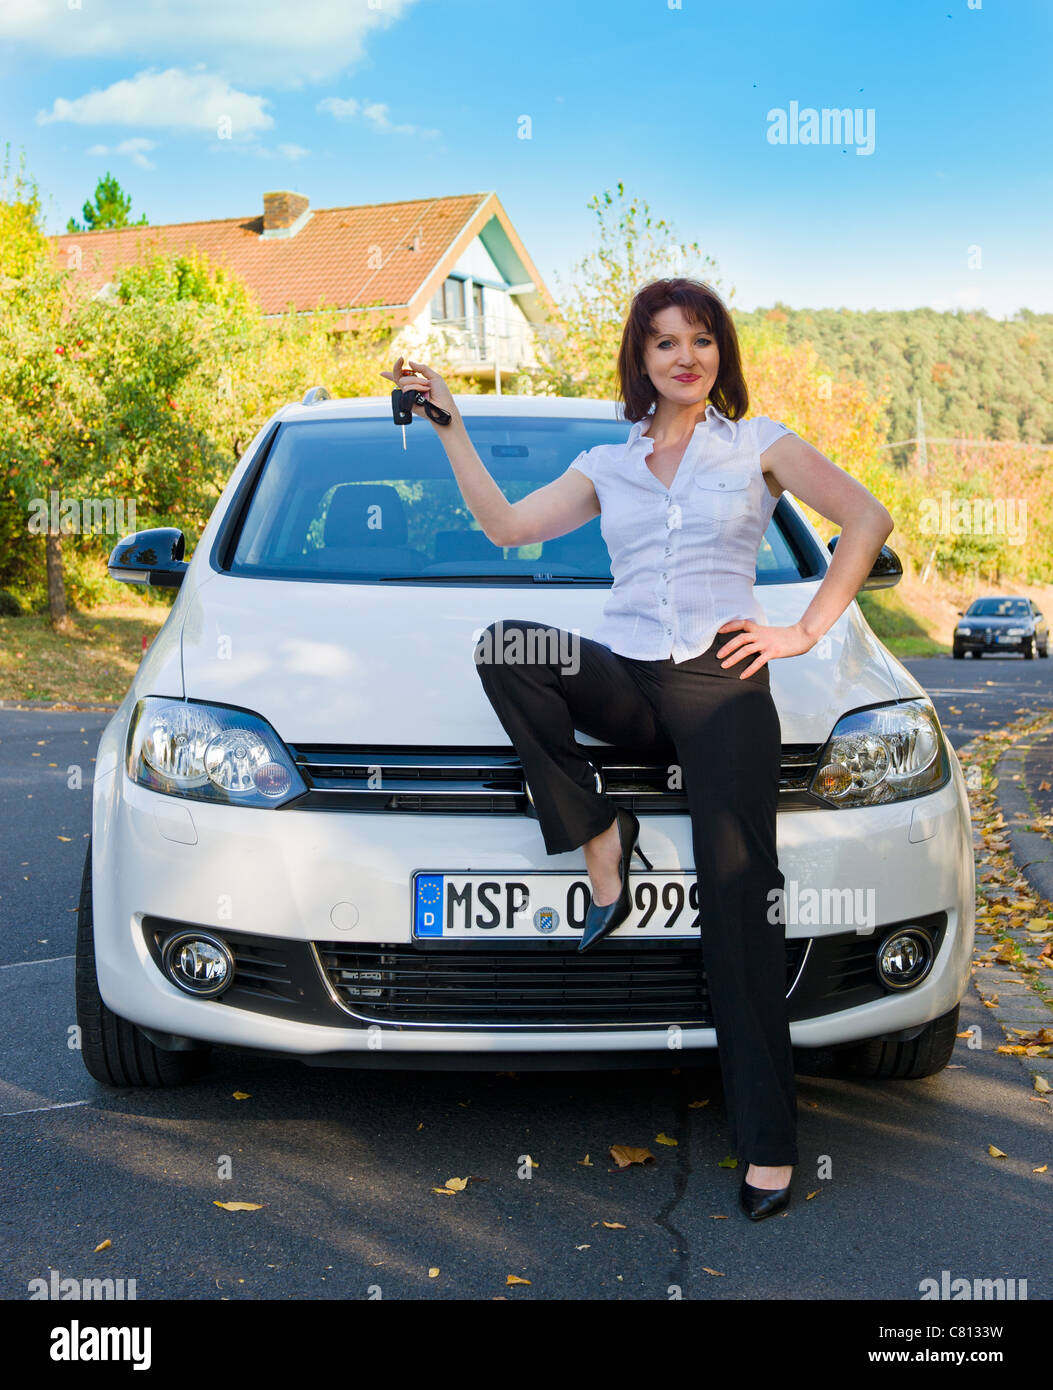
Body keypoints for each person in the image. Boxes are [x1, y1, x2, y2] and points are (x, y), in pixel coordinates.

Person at [380, 277, 894, 1221]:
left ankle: (769, 1149)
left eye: (699, 340)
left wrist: (801, 631)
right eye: (664, 343)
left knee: (739, 906)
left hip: (722, 684)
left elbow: (865, 519)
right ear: (641, 359)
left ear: (719, 354)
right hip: (628, 675)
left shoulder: (758, 446)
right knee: (508, 646)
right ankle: (597, 828)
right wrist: (452, 426)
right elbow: (506, 530)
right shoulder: (605, 463)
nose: (684, 356)